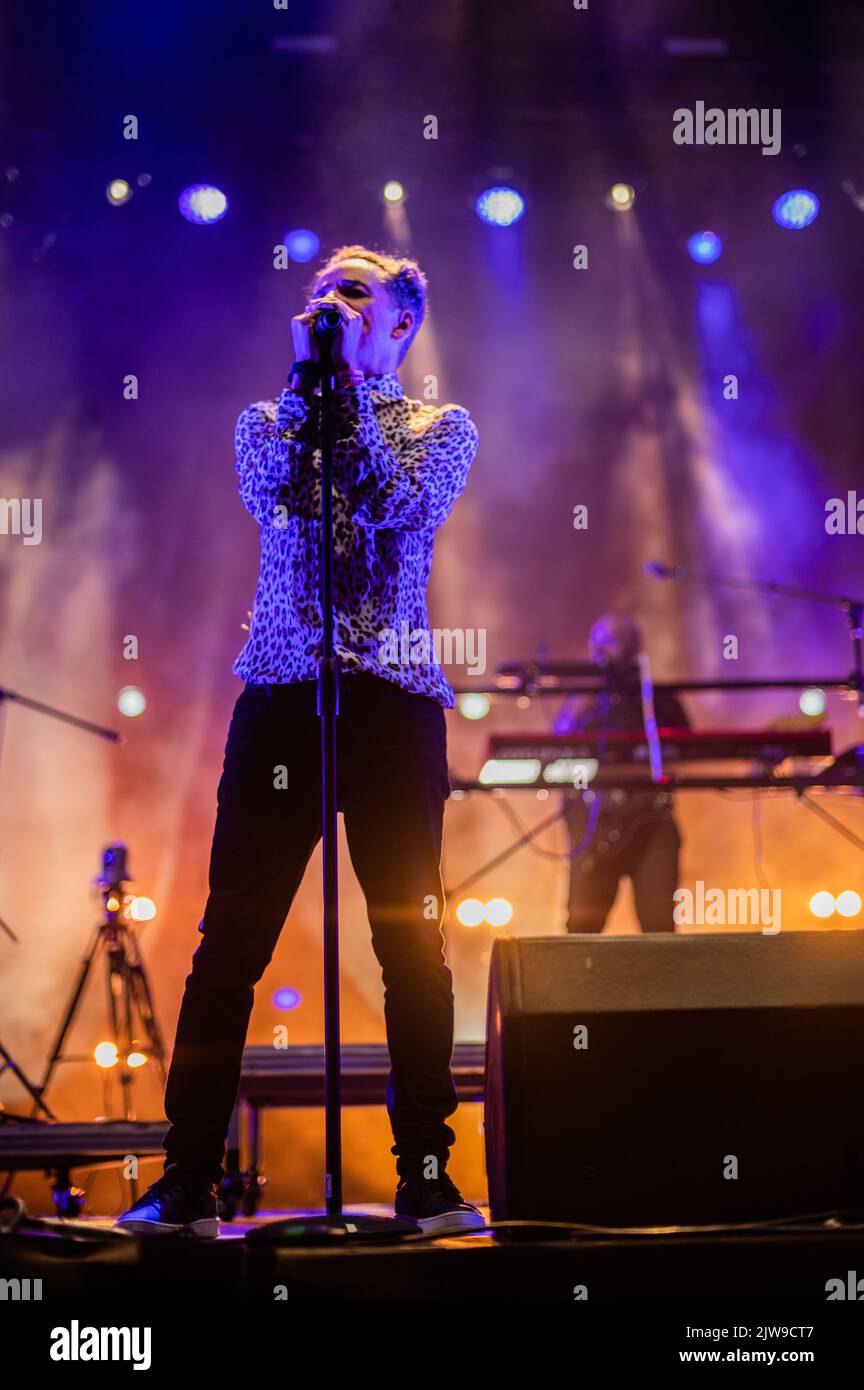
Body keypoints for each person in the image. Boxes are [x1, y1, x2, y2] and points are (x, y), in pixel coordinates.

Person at [117, 245, 482, 1236]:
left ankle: (425, 1171)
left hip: (392, 699)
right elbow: (272, 493)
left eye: (354, 293)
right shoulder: (266, 423)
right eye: (321, 291)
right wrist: (309, 383)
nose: (330, 303)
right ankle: (188, 1173)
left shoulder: (441, 428)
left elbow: (394, 502)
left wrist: (352, 390)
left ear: (402, 325)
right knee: (229, 937)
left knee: (410, 939)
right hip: (282, 694)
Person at [555, 613, 687, 935]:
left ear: (635, 647)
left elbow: (687, 749)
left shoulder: (657, 699)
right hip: (594, 822)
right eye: (597, 642)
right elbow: (557, 753)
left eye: (613, 640)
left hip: (650, 822)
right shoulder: (582, 700)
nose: (603, 649)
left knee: (658, 928)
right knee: (582, 928)